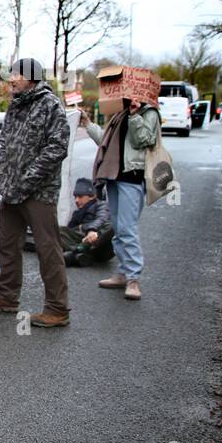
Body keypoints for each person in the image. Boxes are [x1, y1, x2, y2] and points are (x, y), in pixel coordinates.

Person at [0, 58, 71, 327]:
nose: (11, 79)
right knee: (6, 244)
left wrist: (27, 180)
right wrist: (3, 176)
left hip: (39, 192)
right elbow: (5, 143)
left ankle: (57, 309)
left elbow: (56, 148)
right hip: (11, 190)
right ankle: (6, 296)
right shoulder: (15, 106)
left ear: (32, 78)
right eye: (11, 74)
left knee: (48, 248)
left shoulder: (50, 105)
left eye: (16, 74)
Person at [82, 98, 160, 299]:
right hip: (113, 177)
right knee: (117, 227)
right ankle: (124, 273)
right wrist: (88, 124)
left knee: (127, 228)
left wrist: (135, 116)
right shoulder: (119, 113)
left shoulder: (149, 113)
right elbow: (105, 143)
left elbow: (145, 141)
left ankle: (133, 278)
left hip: (132, 178)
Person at [59, 177, 114, 268]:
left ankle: (74, 252)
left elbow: (102, 219)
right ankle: (80, 256)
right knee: (56, 230)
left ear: (92, 196)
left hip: (100, 244)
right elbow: (71, 230)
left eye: (80, 197)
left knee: (112, 226)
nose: (76, 200)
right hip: (83, 241)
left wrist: (91, 230)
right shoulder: (78, 213)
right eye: (75, 197)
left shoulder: (102, 205)